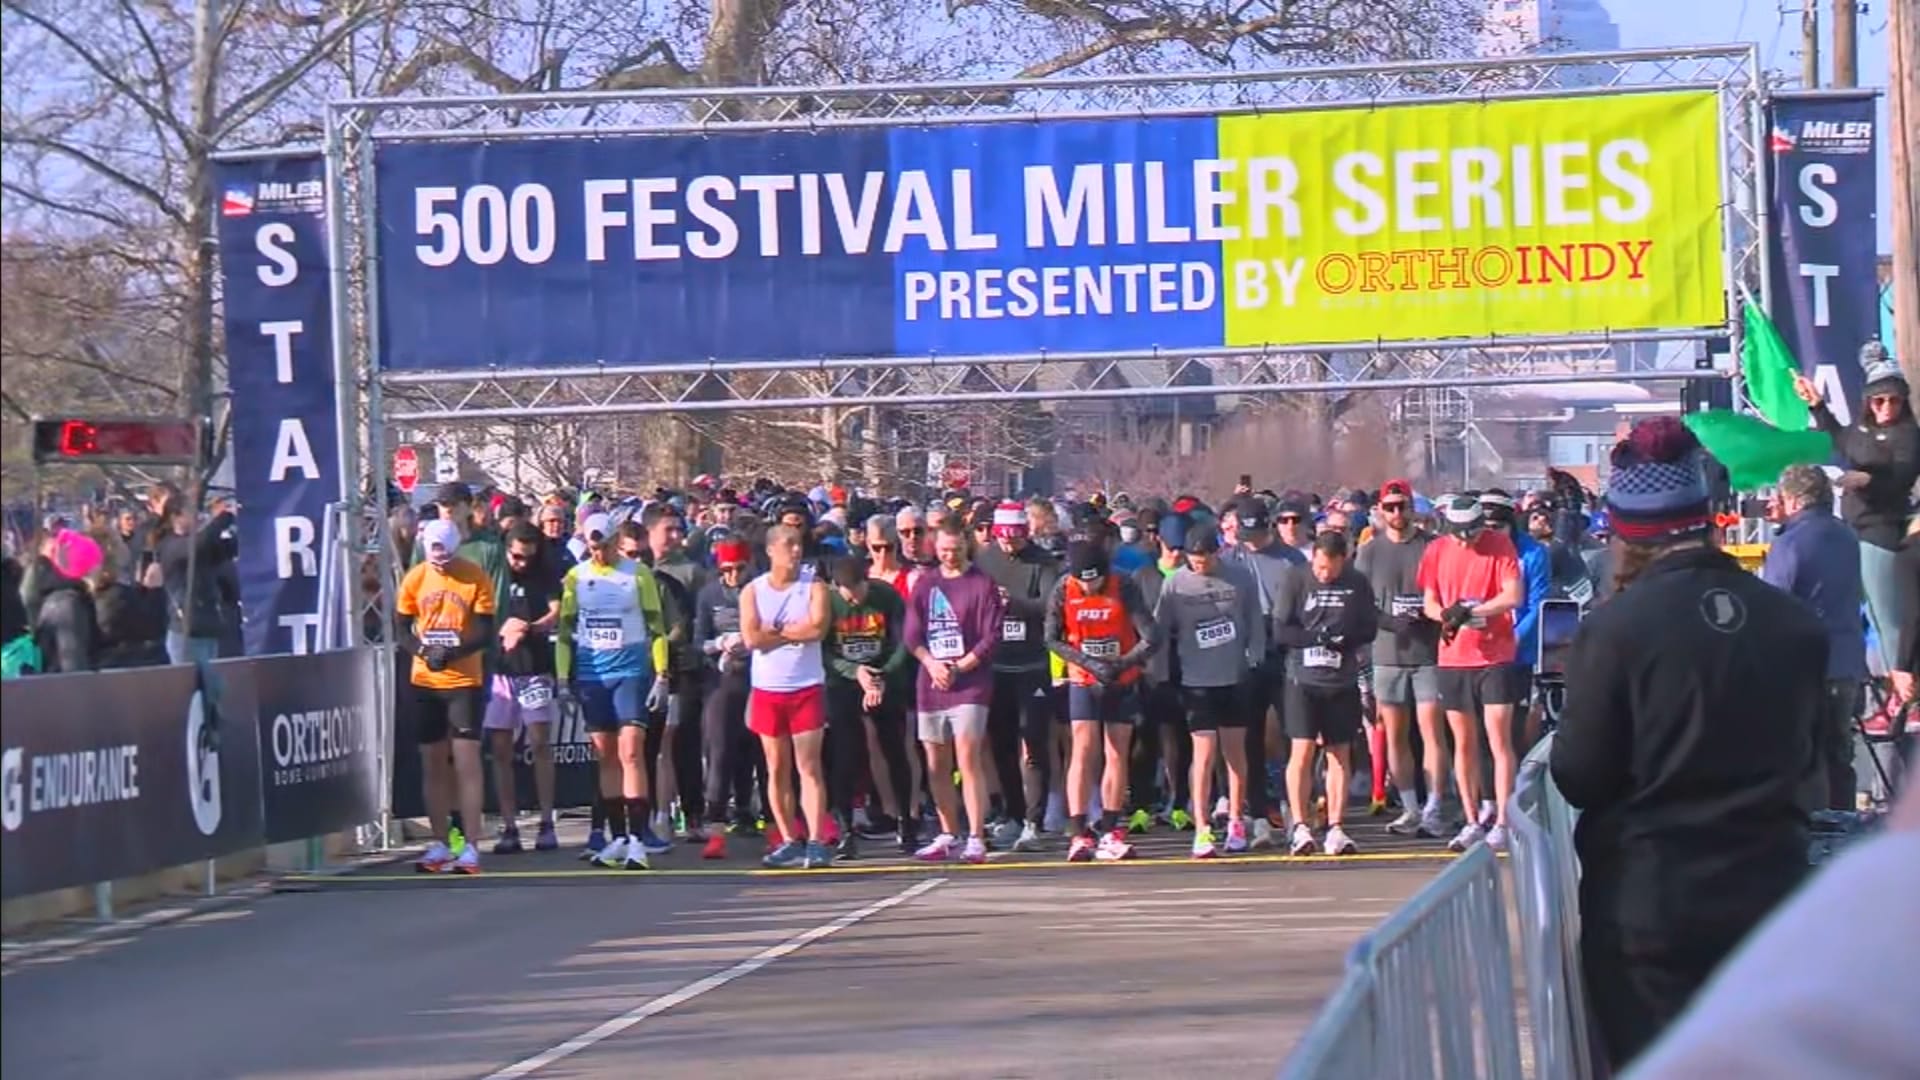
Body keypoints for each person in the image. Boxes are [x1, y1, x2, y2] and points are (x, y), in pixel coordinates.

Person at [1551, 416, 1830, 1072]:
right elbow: (1812, 757)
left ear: (1625, 531)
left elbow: (1581, 775)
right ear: (1705, 515)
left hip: (1652, 913)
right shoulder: (1794, 625)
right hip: (1772, 894)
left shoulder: (1615, 632)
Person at [559, 514, 672, 871]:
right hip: (593, 675)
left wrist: (662, 675)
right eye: (593, 548)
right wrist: (563, 679)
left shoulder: (638, 575)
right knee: (605, 755)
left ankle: (639, 839)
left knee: (631, 752)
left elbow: (657, 628)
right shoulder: (577, 576)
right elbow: (564, 632)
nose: (600, 554)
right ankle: (619, 836)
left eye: (605, 547)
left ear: (614, 541)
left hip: (630, 672)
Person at [1794, 356, 1919, 673]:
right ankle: (1884, 691)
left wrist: (1868, 480)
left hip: (1882, 532)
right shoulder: (1862, 430)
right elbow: (1840, 439)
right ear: (1868, 401)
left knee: (1887, 618)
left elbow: (1902, 476)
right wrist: (1817, 405)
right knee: (1858, 617)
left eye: (1894, 401)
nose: (1887, 408)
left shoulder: (1907, 435)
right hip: (1854, 529)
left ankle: (1905, 697)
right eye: (1879, 401)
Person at [1419, 494, 1525, 852]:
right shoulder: (1436, 550)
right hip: (1454, 657)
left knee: (1498, 737)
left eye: (1473, 532)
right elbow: (1429, 601)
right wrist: (1447, 615)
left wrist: (1479, 610)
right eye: (1461, 534)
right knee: (1462, 742)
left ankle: (1503, 820)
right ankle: (1470, 818)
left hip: (1495, 654)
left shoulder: (1500, 545)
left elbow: (1513, 595)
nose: (1467, 541)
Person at [1759, 465, 1868, 811]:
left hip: (1804, 668)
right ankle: (1845, 829)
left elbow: (1773, 609)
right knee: (1840, 756)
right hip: (1847, 660)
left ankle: (1814, 838)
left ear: (1791, 499)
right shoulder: (1848, 536)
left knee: (1804, 760)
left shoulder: (1789, 544)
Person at [1154, 523, 1264, 858]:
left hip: (1233, 676)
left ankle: (1234, 819)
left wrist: (1255, 656)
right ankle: (1202, 826)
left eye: (1206, 558)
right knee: (1203, 754)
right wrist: (1158, 672)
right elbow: (1159, 630)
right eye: (1194, 559)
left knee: (1234, 753)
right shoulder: (1175, 585)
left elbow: (1255, 620)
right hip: (1196, 680)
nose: (1200, 564)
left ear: (1217, 552)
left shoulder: (1240, 577)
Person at [1045, 540, 1157, 862]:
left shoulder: (1124, 584)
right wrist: (1087, 663)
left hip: (1120, 676)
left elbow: (1152, 635)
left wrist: (1122, 664)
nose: (1088, 586)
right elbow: (1051, 637)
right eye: (1083, 580)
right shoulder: (1064, 588)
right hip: (1083, 676)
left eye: (1094, 580)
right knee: (1082, 746)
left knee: (1116, 748)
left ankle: (1109, 828)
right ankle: (1078, 832)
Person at [396, 519, 497, 875]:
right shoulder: (415, 578)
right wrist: (423, 651)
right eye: (434, 554)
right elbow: (401, 627)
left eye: (446, 555)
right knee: (432, 761)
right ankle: (439, 842)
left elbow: (486, 630)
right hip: (425, 680)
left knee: (466, 759)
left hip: (463, 680)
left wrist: (452, 654)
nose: (440, 561)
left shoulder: (474, 576)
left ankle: (470, 845)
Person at [904, 520, 1004, 864]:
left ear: (967, 546)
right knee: (936, 762)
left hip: (970, 683)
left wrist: (960, 666)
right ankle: (948, 831)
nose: (950, 555)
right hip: (931, 684)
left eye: (956, 548)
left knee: (968, 756)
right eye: (944, 549)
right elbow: (912, 636)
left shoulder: (982, 584)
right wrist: (932, 664)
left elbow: (991, 636)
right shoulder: (925, 584)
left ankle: (976, 835)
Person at [1271, 531, 1377, 856]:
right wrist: (1313, 638)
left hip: (1340, 680)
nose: (1323, 574)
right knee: (1301, 751)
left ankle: (1336, 826)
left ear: (1342, 560)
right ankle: (1301, 826)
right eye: (1318, 567)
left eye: (1329, 569)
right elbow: (1280, 630)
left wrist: (1345, 638)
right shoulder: (1296, 578)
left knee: (1338, 752)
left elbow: (1369, 627)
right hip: (1303, 679)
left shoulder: (1357, 582)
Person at [1358, 479, 1449, 839]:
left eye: (1403, 506)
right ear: (1381, 511)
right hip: (1387, 655)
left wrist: (1431, 616)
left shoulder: (1432, 546)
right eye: (1390, 507)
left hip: (1428, 654)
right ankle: (1410, 806)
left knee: (1431, 733)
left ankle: (1436, 805)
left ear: (1413, 509)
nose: (1397, 513)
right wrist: (1388, 621)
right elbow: (1361, 602)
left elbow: (1445, 591)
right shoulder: (1369, 551)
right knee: (1394, 735)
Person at [740, 523, 834, 870]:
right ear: (771, 550)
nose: (796, 551)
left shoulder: (814, 586)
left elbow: (817, 629)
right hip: (768, 689)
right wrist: (790, 633)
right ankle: (789, 839)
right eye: (788, 544)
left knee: (808, 766)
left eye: (799, 544)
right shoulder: (753, 590)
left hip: (806, 686)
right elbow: (751, 639)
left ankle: (815, 840)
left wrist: (775, 632)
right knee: (776, 767)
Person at [974, 499, 1061, 851]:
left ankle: (1033, 822)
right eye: (1004, 538)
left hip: (1033, 665)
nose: (1010, 545)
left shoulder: (1044, 562)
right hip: (996, 666)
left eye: (1016, 538)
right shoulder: (984, 561)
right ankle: (1011, 814)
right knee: (1001, 744)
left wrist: (1015, 603)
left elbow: (1053, 607)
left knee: (1034, 742)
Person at [1223, 496, 1305, 849]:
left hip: (1284, 651)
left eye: (1256, 533)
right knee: (1250, 738)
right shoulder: (1231, 558)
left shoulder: (1292, 560)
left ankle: (1293, 809)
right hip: (1246, 653)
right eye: (1245, 534)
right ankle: (1258, 814)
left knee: (1294, 734)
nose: (1251, 540)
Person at [822, 555, 917, 859]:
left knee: (895, 750)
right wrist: (855, 672)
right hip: (845, 683)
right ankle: (846, 828)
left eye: (859, 588)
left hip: (884, 677)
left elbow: (903, 640)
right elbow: (824, 652)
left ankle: (906, 821)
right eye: (848, 591)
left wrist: (882, 675)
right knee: (846, 754)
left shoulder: (886, 596)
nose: (855, 596)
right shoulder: (828, 602)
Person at [484, 523, 561, 854]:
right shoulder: (494, 574)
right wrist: (501, 632)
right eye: (516, 556)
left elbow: (556, 612)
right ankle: (509, 824)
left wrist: (531, 627)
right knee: (501, 749)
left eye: (527, 557)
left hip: (535, 669)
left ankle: (546, 821)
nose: (521, 563)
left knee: (540, 743)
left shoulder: (544, 573)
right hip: (500, 671)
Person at [693, 537, 756, 858]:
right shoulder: (709, 594)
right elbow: (697, 641)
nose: (733, 576)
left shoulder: (759, 589)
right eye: (727, 570)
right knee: (720, 749)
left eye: (739, 569)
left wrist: (751, 640)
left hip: (758, 678)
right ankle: (715, 820)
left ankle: (752, 812)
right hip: (722, 679)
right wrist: (719, 644)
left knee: (756, 751)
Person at [153, 495, 237, 665]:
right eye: (191, 512)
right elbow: (200, 543)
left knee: (209, 687)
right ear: (175, 516)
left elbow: (227, 548)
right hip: (185, 631)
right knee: (189, 686)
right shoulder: (170, 545)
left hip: (207, 627)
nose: (197, 516)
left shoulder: (199, 547)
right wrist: (224, 517)